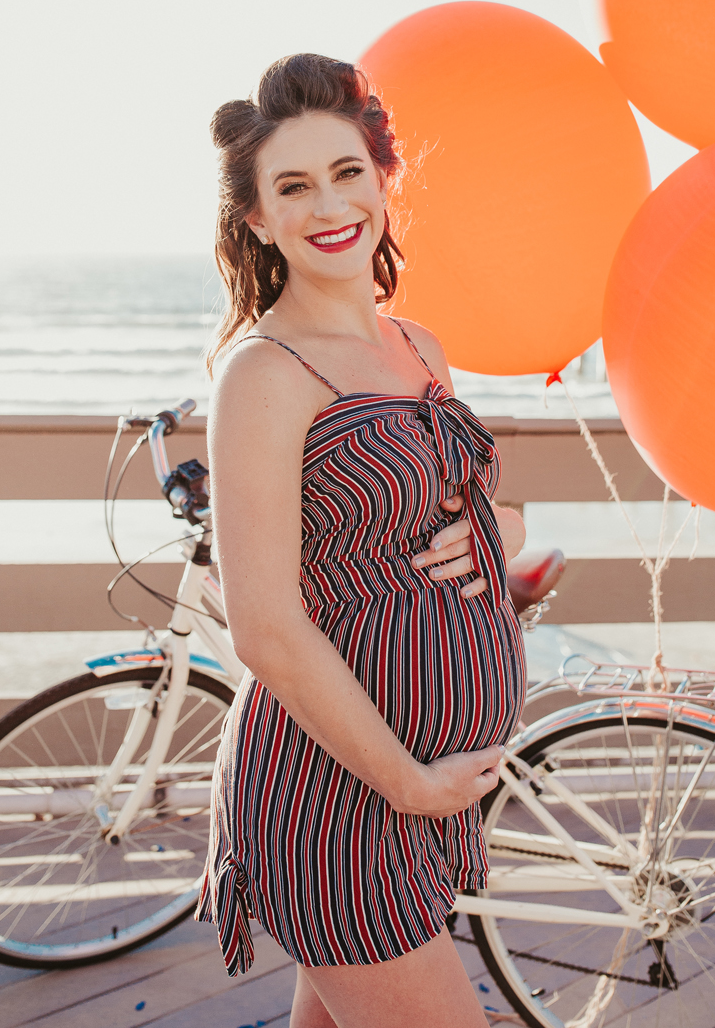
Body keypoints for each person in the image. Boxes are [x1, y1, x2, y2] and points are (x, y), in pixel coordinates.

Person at [196, 54, 527, 1027]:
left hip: (426, 793)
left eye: (347, 171)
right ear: (257, 218)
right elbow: (262, 626)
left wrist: (501, 529)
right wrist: (413, 784)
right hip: (335, 795)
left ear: (385, 179)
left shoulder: (420, 348)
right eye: (292, 186)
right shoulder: (263, 374)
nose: (329, 203)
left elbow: (460, 504)